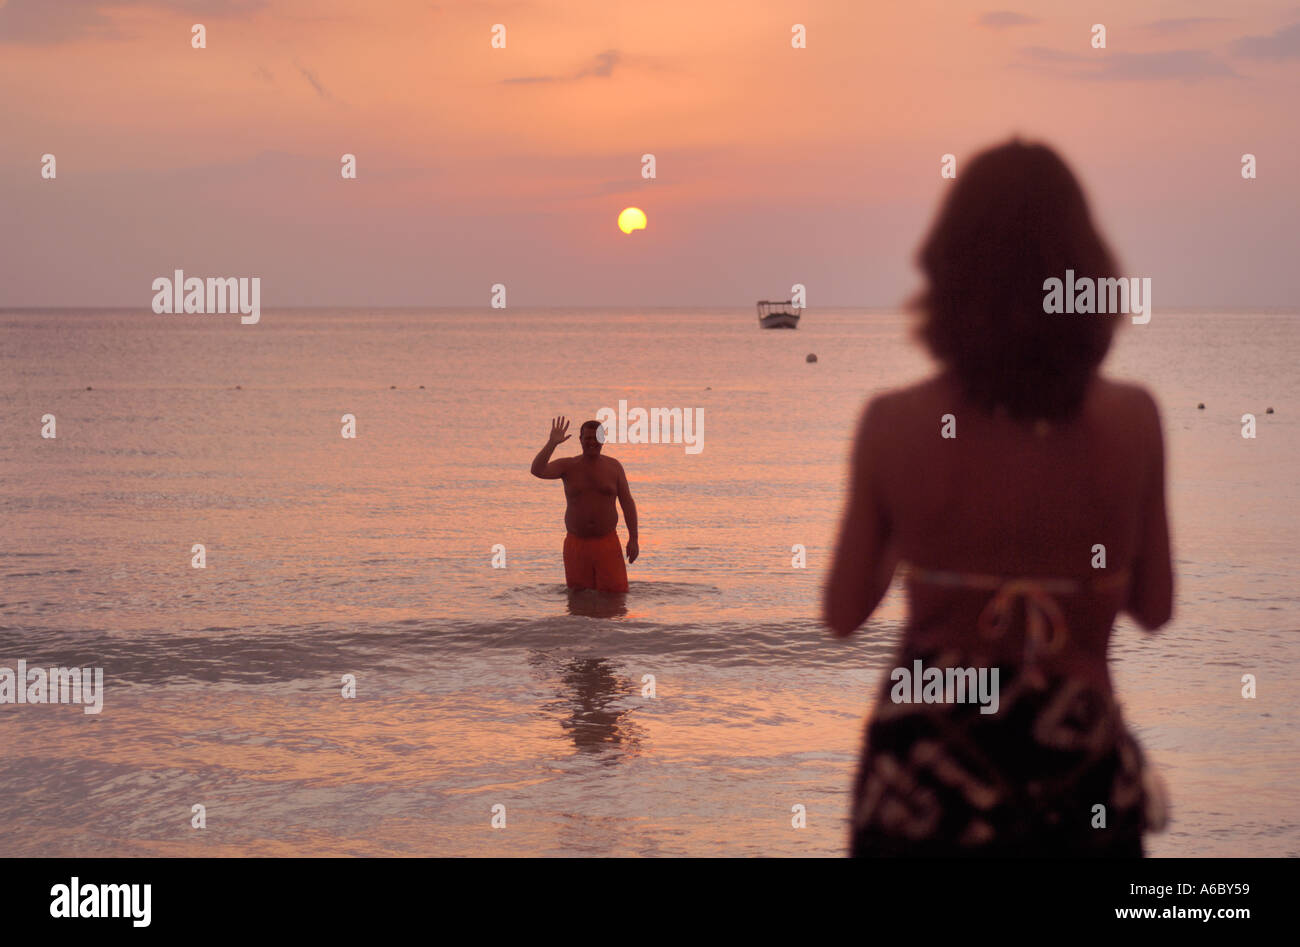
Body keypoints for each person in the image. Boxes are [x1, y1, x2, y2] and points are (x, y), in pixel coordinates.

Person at [824, 139, 1174, 857]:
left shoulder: (894, 424)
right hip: (1074, 772)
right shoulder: (1133, 420)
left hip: (924, 776)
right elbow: (1155, 605)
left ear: (949, 276)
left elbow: (842, 611)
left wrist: (921, 534)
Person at [531, 417, 639, 592]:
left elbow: (627, 503)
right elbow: (537, 470)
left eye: (596, 438)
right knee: (578, 598)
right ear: (580, 440)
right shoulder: (568, 466)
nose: (592, 442)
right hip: (576, 544)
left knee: (615, 597)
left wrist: (633, 538)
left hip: (607, 543)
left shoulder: (614, 467)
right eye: (587, 438)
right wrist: (552, 443)